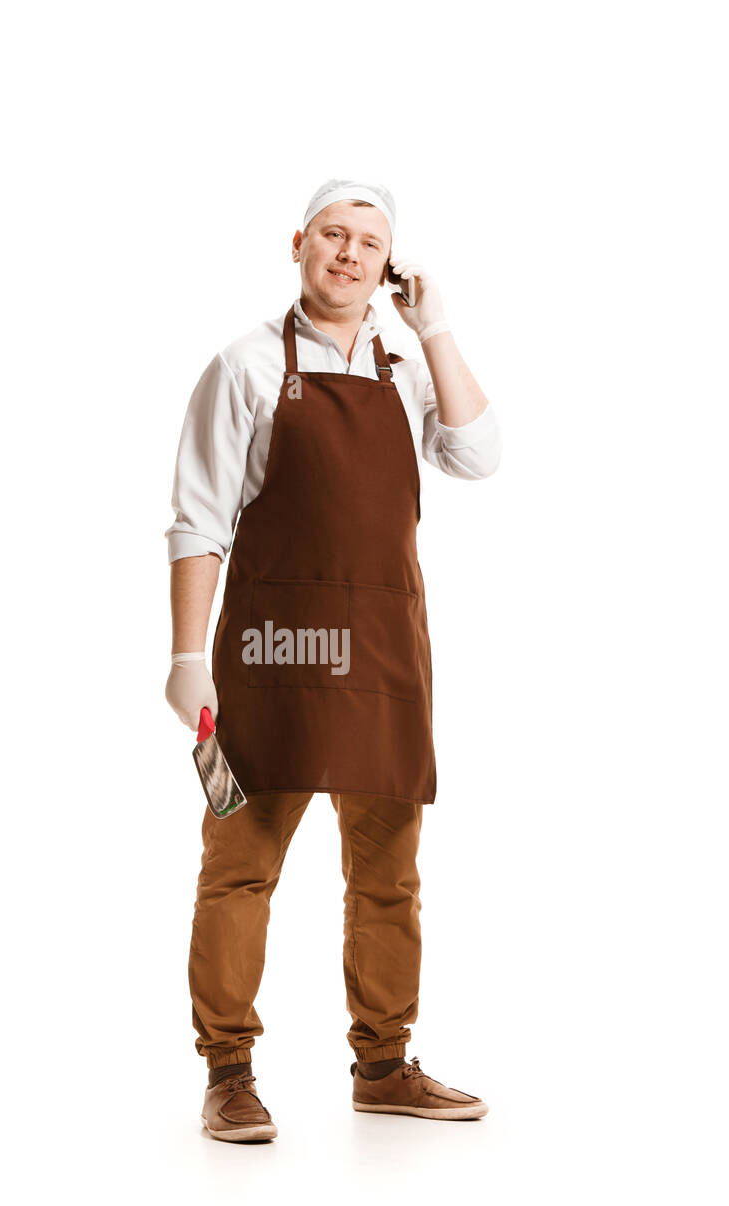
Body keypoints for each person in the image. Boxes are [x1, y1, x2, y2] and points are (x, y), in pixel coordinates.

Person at [165, 178, 501, 1142]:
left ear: (387, 264)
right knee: (240, 865)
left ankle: (385, 1067)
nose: (349, 255)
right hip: (274, 651)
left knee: (388, 873)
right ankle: (229, 1071)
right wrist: (189, 657)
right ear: (300, 243)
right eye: (333, 236)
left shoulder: (409, 367)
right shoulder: (242, 365)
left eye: (370, 243)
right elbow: (197, 523)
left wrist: (434, 326)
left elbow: (477, 455)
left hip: (386, 653)